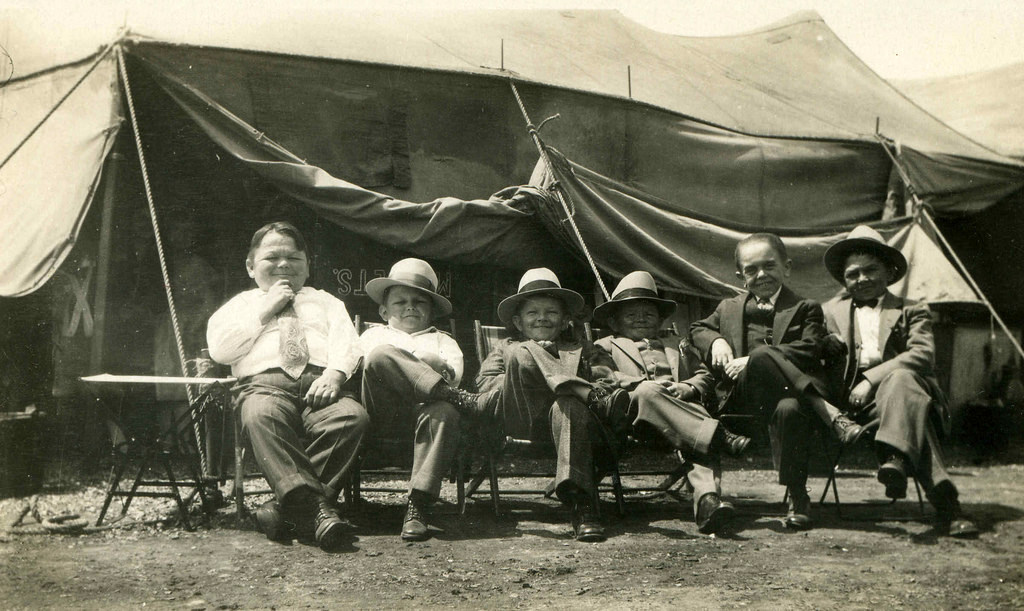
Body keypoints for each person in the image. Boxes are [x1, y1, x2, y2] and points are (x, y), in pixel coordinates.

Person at [207, 221, 368, 550]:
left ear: (308, 266)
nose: (283, 265)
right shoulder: (241, 305)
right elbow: (221, 350)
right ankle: (318, 509)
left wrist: (335, 375)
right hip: (264, 386)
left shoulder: (327, 302)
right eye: (271, 258)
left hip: (320, 385)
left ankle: (288, 509)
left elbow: (348, 345)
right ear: (251, 267)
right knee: (260, 416)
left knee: (352, 418)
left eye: (294, 259)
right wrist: (267, 310)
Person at [690, 233, 862, 530]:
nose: (761, 275)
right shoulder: (728, 307)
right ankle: (830, 414)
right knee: (763, 360)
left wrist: (754, 359)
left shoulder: (805, 307)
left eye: (769, 266)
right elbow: (696, 329)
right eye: (751, 270)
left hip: (789, 398)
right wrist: (716, 339)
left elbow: (811, 348)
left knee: (789, 408)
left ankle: (797, 496)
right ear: (740, 276)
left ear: (787, 267)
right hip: (742, 402)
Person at [821, 225, 978, 537]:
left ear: (889, 272)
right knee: (915, 422)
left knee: (902, 379)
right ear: (844, 279)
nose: (862, 279)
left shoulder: (911, 309)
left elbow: (922, 356)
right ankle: (943, 502)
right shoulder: (828, 311)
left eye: (871, 270)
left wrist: (870, 380)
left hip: (906, 396)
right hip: (854, 409)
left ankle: (897, 458)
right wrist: (826, 344)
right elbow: (813, 354)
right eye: (853, 273)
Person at [476, 268, 629, 543]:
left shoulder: (583, 347)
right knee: (523, 353)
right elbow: (486, 386)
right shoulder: (505, 347)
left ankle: (583, 506)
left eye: (551, 312)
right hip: (521, 418)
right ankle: (574, 389)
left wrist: (559, 381)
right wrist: (531, 366)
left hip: (570, 424)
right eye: (532, 313)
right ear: (518, 322)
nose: (542, 318)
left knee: (568, 403)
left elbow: (608, 381)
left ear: (564, 320)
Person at [591, 271, 751, 534]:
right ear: (615, 322)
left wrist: (686, 386)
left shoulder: (677, 344)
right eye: (631, 315)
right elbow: (603, 377)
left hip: (680, 419)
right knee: (649, 394)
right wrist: (642, 385)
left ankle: (708, 502)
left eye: (648, 314)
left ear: (660, 319)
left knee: (696, 415)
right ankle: (719, 435)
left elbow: (704, 376)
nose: (640, 319)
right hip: (633, 418)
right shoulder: (605, 345)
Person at [359, 257, 480, 542]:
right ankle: (449, 397)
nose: (410, 307)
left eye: (419, 302)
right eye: (400, 302)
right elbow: (366, 367)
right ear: (383, 310)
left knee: (446, 410)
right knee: (380, 355)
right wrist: (426, 361)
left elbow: (455, 375)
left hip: (425, 418)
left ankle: (419, 506)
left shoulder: (444, 341)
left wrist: (436, 367)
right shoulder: (372, 335)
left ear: (432, 312)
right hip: (381, 414)